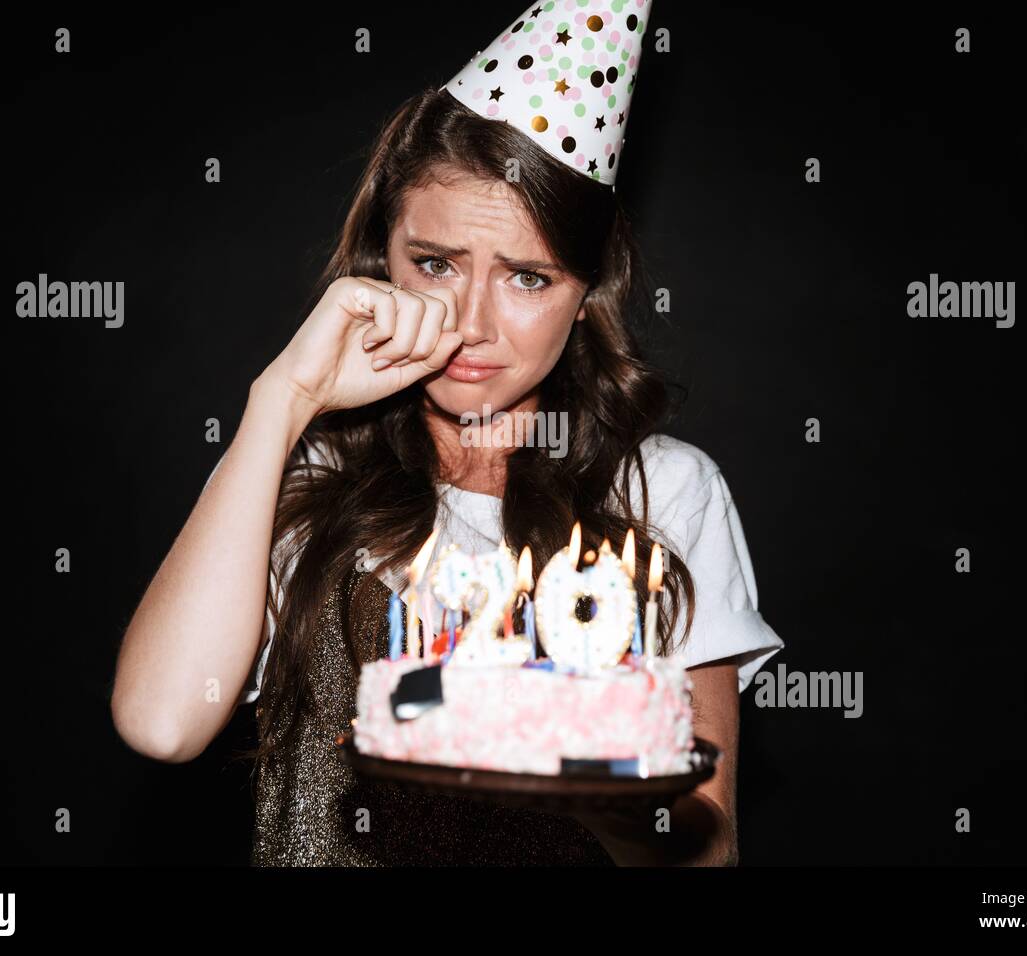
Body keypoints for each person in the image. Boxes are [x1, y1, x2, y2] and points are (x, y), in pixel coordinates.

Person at [111, 0, 783, 865]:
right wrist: (282, 398)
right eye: (434, 264)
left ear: (588, 291)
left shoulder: (664, 493)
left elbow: (706, 847)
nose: (471, 324)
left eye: (528, 278)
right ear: (380, 254)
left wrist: (592, 781)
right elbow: (161, 723)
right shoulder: (299, 472)